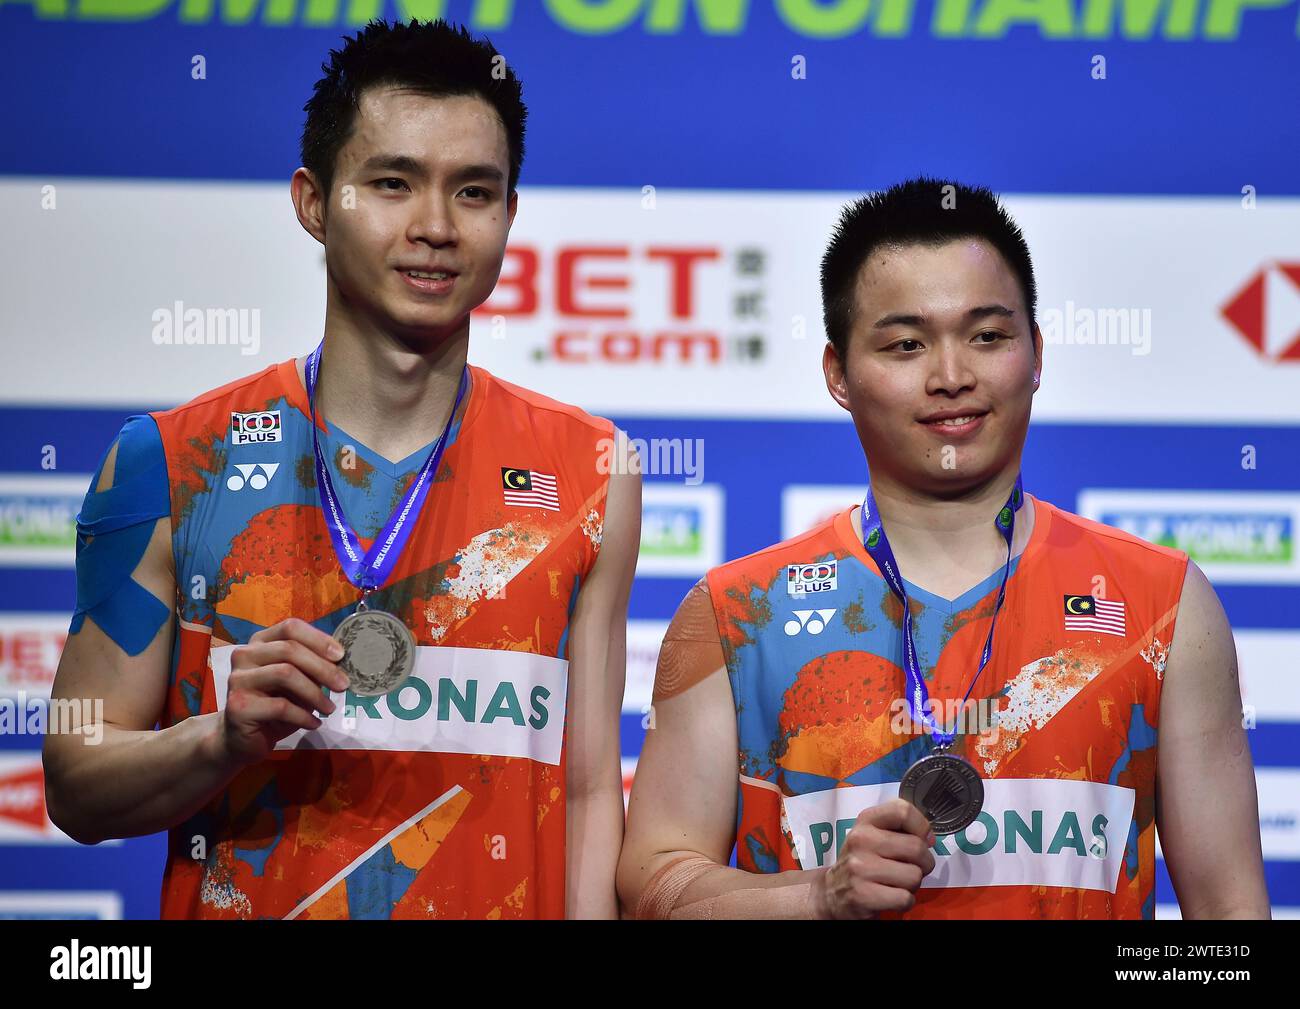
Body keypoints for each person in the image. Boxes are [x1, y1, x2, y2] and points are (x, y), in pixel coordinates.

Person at [44, 18, 639, 920]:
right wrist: (220, 739)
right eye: (393, 183)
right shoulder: (167, 462)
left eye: (474, 191)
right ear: (314, 202)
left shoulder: (594, 470)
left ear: (510, 214)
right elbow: (75, 774)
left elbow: (592, 793)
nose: (435, 227)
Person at [617, 177, 1269, 920]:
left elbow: (1229, 919)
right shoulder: (736, 615)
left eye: (987, 335)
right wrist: (818, 894)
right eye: (906, 344)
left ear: (1037, 353)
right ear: (838, 374)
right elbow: (652, 889)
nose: (952, 376)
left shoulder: (1164, 604)